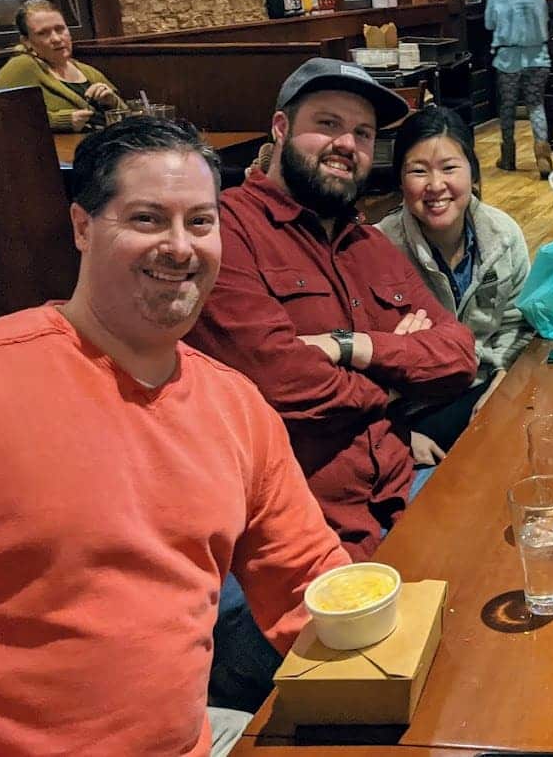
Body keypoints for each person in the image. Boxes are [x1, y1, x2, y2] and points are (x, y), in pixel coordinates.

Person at [0, 117, 350, 755]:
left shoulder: (236, 406)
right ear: (82, 227)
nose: (181, 246)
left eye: (200, 222)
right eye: (147, 219)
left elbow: (309, 583)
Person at [186, 58, 476, 709]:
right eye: (328, 125)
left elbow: (459, 352)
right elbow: (288, 387)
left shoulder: (363, 240)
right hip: (289, 564)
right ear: (282, 129)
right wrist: (401, 376)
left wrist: (356, 348)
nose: (349, 143)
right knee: (429, 691)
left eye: (364, 133)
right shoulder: (225, 231)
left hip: (399, 503)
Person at [377, 105, 534, 489]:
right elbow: (364, 368)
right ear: (400, 179)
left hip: (486, 393)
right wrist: (397, 437)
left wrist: (500, 381)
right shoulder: (379, 250)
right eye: (418, 171)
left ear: (473, 173)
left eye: (449, 168)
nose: (435, 185)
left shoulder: (502, 234)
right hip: (414, 417)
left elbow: (519, 324)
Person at [0, 0, 127, 131]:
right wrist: (61, 121)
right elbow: (1, 117)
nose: (56, 39)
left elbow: (128, 116)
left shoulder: (87, 70)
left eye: (60, 29)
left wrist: (112, 102)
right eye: (43, 33)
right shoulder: (21, 66)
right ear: (26, 41)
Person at [485, 0, 552, 177]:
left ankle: (509, 156)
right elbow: (543, 17)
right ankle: (543, 156)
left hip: (507, 58)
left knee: (507, 107)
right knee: (535, 104)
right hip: (537, 56)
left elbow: (489, 23)